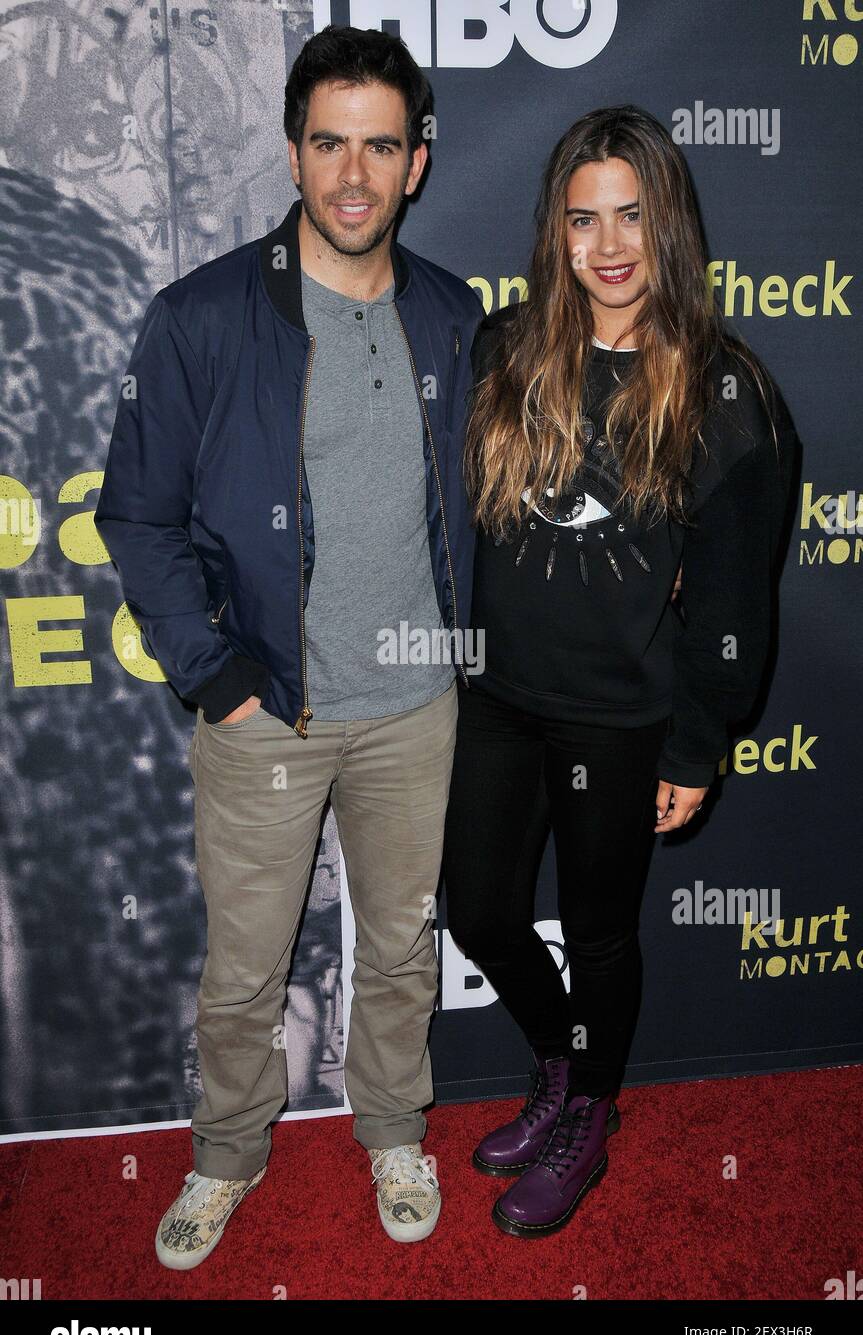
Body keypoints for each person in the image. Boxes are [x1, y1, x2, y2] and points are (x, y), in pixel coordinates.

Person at [94, 24, 485, 1265]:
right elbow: (136, 512)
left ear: (416, 162)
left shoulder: (451, 316)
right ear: (292, 151)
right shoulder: (201, 316)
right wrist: (215, 675)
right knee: (245, 969)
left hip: (417, 706)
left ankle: (391, 1128)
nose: (354, 174)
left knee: (401, 945)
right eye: (330, 144)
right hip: (270, 711)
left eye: (381, 145)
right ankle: (225, 1155)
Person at [441, 105, 798, 1239]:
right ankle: (559, 1065)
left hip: (616, 721)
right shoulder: (503, 348)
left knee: (596, 935)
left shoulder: (723, 392)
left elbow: (735, 601)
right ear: (554, 230)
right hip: (495, 699)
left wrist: (699, 741)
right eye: (582, 216)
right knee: (483, 912)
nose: (606, 244)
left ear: (668, 225)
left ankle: (587, 1110)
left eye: (631, 216)